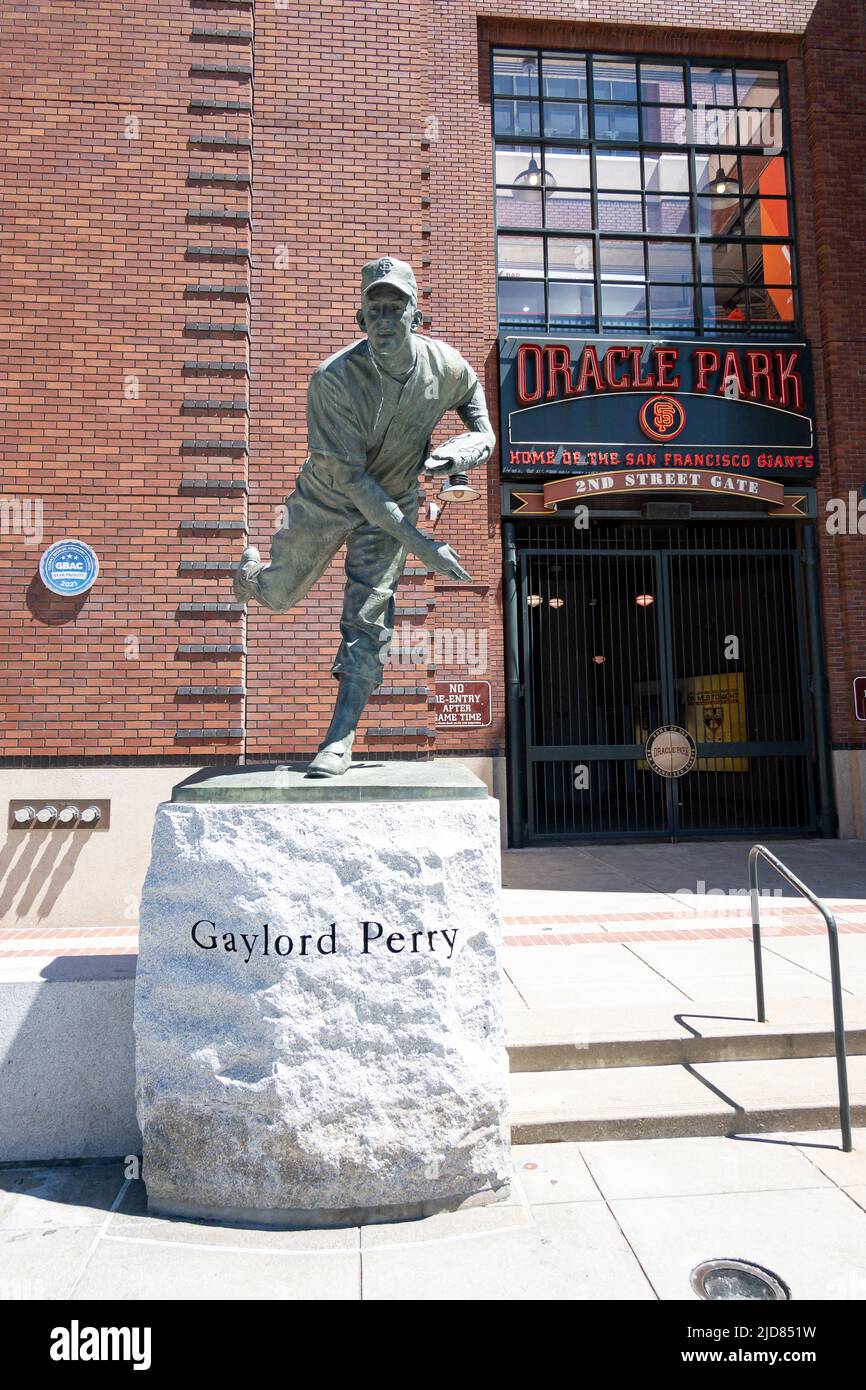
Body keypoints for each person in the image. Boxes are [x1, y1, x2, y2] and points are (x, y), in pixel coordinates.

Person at [233, 255, 495, 776]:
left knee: (369, 618)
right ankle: (250, 578)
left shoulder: (446, 365)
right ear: (360, 320)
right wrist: (422, 543)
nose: (384, 318)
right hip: (327, 499)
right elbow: (352, 481)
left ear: (415, 314)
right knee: (281, 597)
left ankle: (340, 738)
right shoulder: (333, 378)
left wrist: (459, 454)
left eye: (395, 307)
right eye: (373, 308)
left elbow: (482, 424)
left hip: (394, 505)